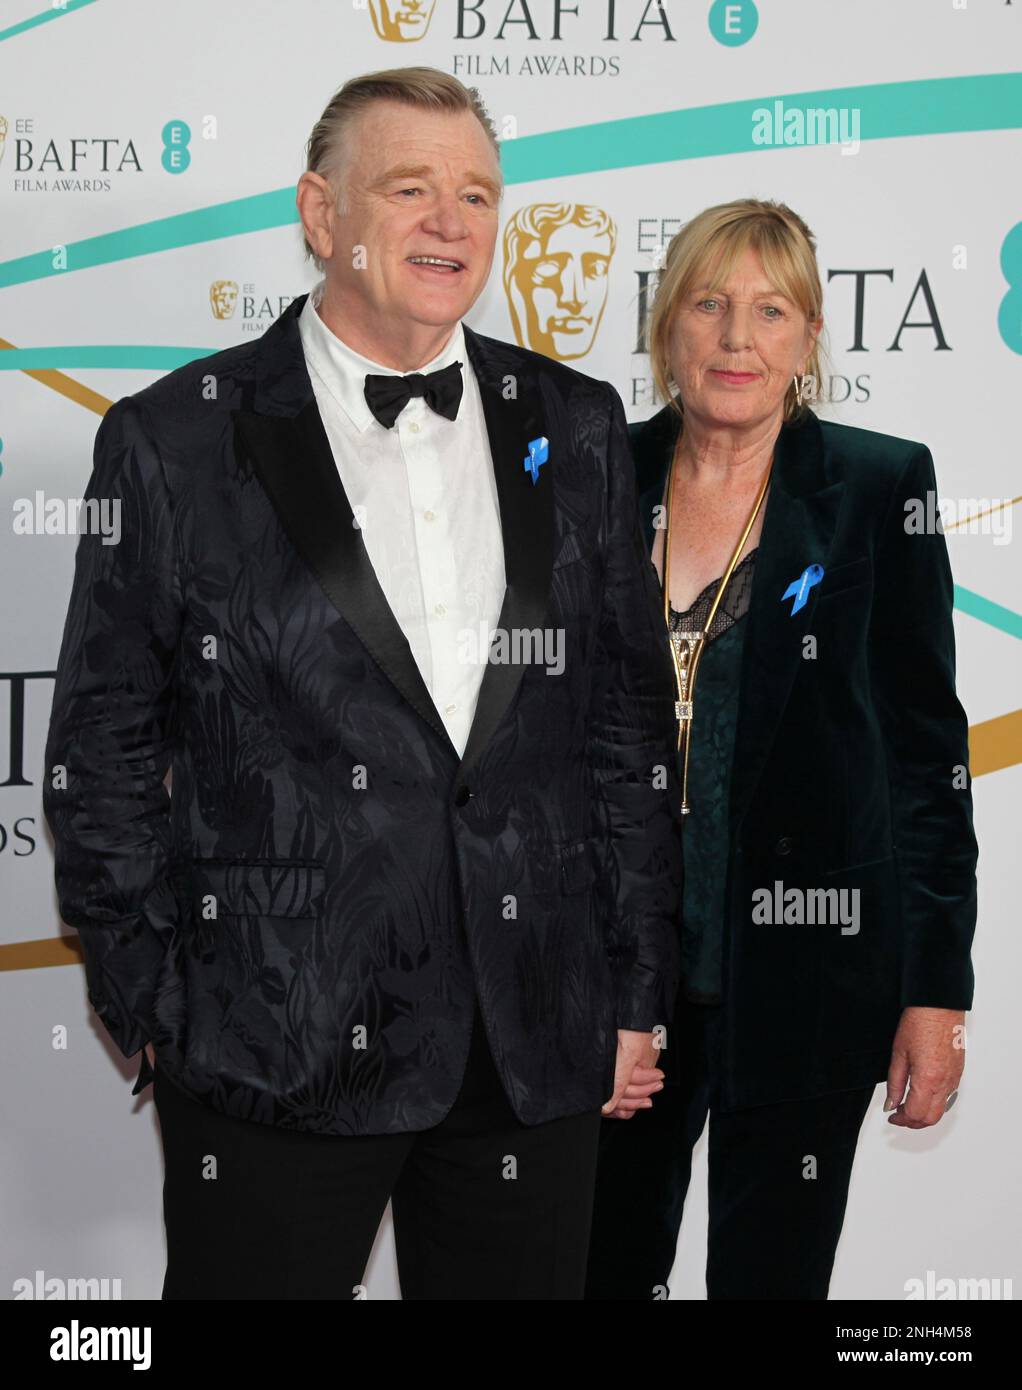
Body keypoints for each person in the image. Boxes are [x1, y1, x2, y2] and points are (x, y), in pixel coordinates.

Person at [42, 66, 682, 1301]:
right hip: (273, 1034)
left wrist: (631, 987)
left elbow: (622, 726)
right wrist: (157, 1000)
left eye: (477, 194)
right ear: (319, 215)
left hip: (527, 1036)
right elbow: (103, 743)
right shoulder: (177, 438)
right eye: (409, 188)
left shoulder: (579, 424)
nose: (450, 221)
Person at [584, 198, 978, 1301]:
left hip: (810, 977)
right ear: (666, 325)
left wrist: (934, 992)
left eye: (768, 310)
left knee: (771, 1282)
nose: (734, 338)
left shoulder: (872, 488)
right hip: (615, 980)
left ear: (808, 335)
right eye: (707, 304)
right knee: (592, 1271)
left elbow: (924, 760)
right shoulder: (590, 477)